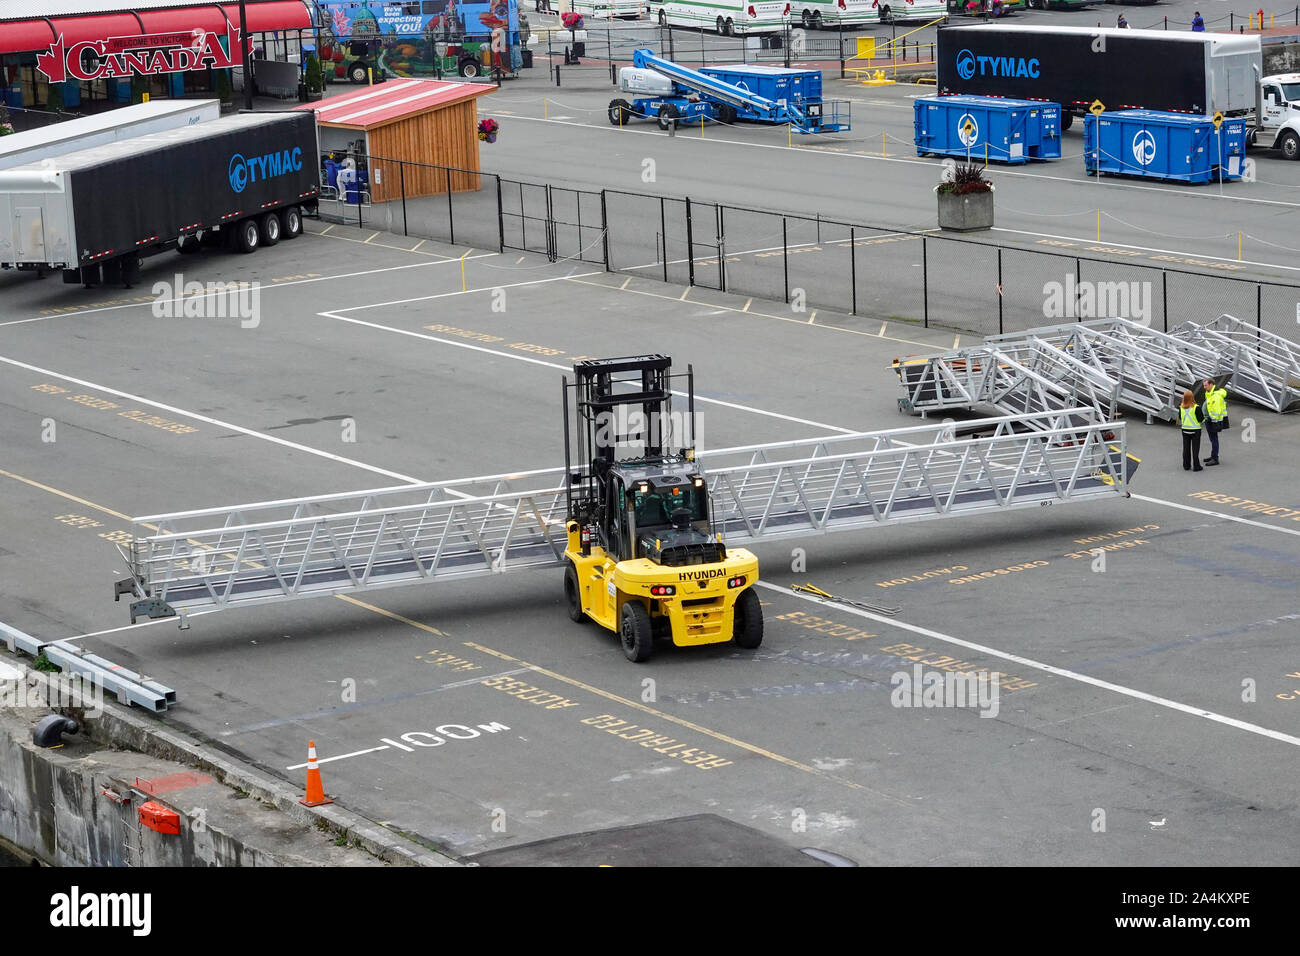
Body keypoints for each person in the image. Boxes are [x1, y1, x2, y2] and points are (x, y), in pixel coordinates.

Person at [1202, 378, 1228, 466]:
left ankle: (1215, 458)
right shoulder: (1209, 393)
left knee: (1214, 439)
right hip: (1209, 419)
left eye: (1205, 385)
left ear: (1211, 385)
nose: (1204, 387)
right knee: (1213, 439)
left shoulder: (1215, 395)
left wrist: (1213, 421)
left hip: (1212, 421)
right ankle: (1213, 455)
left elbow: (1216, 410)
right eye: (1203, 385)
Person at [1179, 389, 1205, 472]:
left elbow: (1180, 418)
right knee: (1195, 449)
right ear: (1192, 397)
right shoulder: (1196, 407)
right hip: (1195, 430)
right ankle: (1196, 466)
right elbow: (1201, 419)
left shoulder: (1181, 407)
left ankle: (1186, 465)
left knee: (1186, 448)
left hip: (1185, 430)